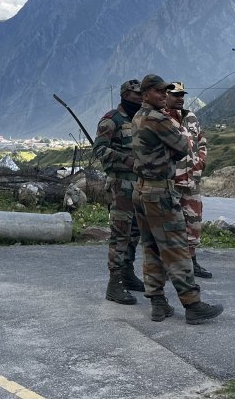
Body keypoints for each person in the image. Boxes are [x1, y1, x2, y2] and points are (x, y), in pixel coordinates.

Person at [131, 74, 224, 324]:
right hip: (160, 192)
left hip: (141, 191)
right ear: (146, 93)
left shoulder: (138, 116)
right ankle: (192, 305)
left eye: (166, 92)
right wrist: (177, 143)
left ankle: (158, 303)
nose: (164, 95)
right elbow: (184, 146)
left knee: (151, 249)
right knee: (177, 249)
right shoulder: (158, 118)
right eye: (159, 91)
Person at [93, 79, 145, 305]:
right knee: (120, 234)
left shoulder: (140, 120)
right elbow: (100, 149)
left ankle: (127, 273)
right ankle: (114, 284)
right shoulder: (112, 119)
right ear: (125, 95)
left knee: (135, 233)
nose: (140, 99)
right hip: (120, 185)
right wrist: (126, 159)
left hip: (139, 185)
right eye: (135, 95)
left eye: (141, 95)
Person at [165, 82, 212, 279]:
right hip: (171, 182)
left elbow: (201, 141)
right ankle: (169, 266)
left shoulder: (190, 117)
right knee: (170, 225)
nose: (180, 98)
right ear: (165, 95)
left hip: (192, 181)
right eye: (175, 95)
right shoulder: (161, 119)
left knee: (194, 224)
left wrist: (201, 161)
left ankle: (192, 262)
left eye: (182, 94)